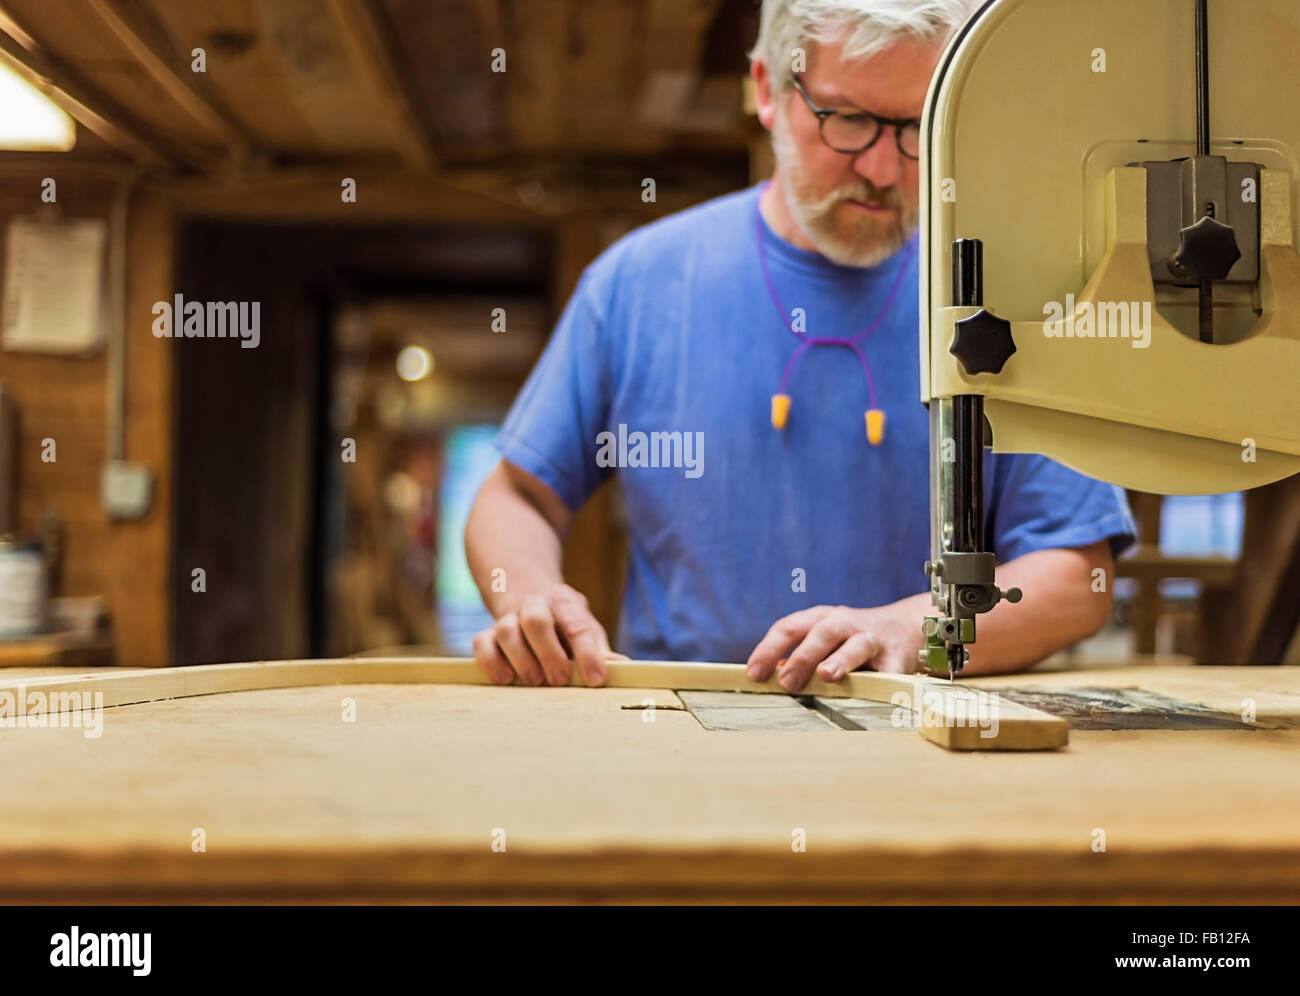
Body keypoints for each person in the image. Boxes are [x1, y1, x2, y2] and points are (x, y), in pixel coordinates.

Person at [464, 0, 1135, 691]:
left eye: (919, 128)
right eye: (848, 119)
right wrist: (529, 597)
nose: (882, 167)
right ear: (766, 89)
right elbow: (516, 497)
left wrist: (918, 627)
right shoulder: (637, 281)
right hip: (674, 739)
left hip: (916, 743)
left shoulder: (1009, 299)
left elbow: (1075, 574)